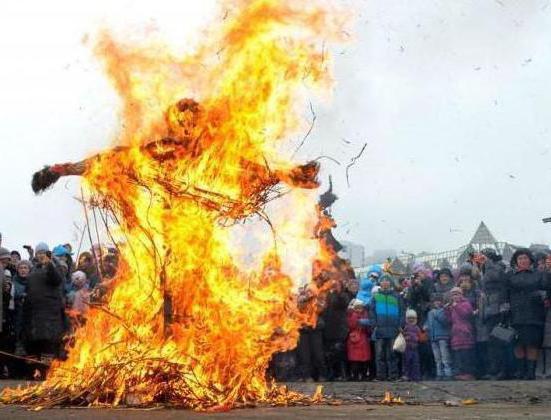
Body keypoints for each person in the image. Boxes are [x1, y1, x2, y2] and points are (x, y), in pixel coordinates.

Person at [507, 248, 551, 380]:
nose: (523, 261)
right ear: (516, 261)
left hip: (534, 312)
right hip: (515, 312)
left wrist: (548, 272)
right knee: (518, 342)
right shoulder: (510, 275)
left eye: (525, 258)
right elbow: (506, 293)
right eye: (520, 258)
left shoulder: (539, 274)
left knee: (532, 342)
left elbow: (546, 286)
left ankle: (531, 372)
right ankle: (521, 370)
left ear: (530, 260)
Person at [23, 243, 65, 362]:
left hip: (50, 314)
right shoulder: (33, 269)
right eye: (38, 253)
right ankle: (35, 373)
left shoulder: (55, 267)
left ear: (48, 254)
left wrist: (49, 264)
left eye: (43, 253)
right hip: (34, 313)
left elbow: (57, 280)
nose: (41, 255)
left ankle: (47, 373)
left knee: (48, 343)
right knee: (35, 343)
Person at [477, 249, 509, 380]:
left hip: (498, 308)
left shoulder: (499, 268)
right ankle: (493, 370)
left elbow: (496, 277)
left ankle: (501, 371)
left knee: (498, 341)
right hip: (489, 309)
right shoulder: (484, 269)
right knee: (491, 342)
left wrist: (487, 263)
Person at [369, 274, 403, 381]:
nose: (385, 282)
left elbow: (402, 311)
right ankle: (381, 376)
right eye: (382, 281)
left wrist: (400, 324)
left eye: (387, 281)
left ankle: (393, 375)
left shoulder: (397, 296)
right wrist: (374, 325)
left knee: (392, 354)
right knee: (380, 355)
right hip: (379, 329)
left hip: (393, 329)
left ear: (390, 283)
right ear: (380, 283)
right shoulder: (375, 297)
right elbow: (372, 312)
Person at [321, 279, 351, 381]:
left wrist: (337, 293)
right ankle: (331, 374)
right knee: (329, 354)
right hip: (327, 329)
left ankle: (342, 374)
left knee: (340, 353)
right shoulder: (325, 296)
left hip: (339, 329)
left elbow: (343, 304)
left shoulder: (343, 295)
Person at [446, 287, 476, 380]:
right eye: (453, 295)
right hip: (455, 333)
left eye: (457, 294)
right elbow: (450, 320)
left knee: (466, 354)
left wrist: (455, 306)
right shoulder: (453, 306)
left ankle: (468, 373)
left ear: (461, 295)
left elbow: (466, 314)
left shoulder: (466, 304)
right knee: (458, 355)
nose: (455, 296)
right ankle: (460, 373)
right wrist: (447, 310)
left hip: (465, 331)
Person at [425, 294, 453, 380]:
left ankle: (448, 373)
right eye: (435, 301)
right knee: (437, 358)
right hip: (433, 338)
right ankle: (439, 374)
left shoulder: (443, 310)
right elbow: (428, 323)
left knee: (445, 356)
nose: (437, 302)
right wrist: (425, 326)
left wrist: (436, 314)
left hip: (442, 337)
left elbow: (445, 321)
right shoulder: (430, 313)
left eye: (439, 301)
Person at [346, 298, 371, 381]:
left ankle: (363, 375)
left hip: (363, 339)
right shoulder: (352, 315)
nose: (359, 309)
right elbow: (351, 325)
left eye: (360, 307)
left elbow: (368, 328)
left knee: (364, 361)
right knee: (355, 361)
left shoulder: (366, 315)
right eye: (357, 308)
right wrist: (359, 321)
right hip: (354, 340)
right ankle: (355, 375)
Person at [12, 260, 31, 356]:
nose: (23, 270)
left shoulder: (33, 283)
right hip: (16, 313)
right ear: (17, 270)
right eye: (21, 268)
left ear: (29, 270)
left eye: (25, 268)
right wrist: (20, 297)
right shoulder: (13, 282)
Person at [403, 309, 421, 381]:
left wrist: (415, 338)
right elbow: (403, 336)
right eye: (409, 318)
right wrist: (406, 337)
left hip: (415, 347)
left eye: (412, 318)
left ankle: (416, 376)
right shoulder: (405, 327)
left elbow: (420, 337)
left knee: (415, 362)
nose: (411, 319)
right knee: (407, 362)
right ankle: (407, 375)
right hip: (407, 347)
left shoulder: (417, 327)